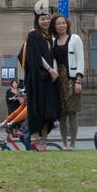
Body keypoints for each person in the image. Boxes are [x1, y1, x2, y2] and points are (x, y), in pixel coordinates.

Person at [18, 11, 59, 151]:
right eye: (42, 19)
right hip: (37, 79)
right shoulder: (34, 35)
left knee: (47, 110)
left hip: (47, 78)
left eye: (47, 19)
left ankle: (43, 141)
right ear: (37, 20)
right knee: (37, 109)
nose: (46, 21)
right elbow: (37, 56)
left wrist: (54, 70)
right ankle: (35, 139)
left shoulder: (48, 37)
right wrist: (50, 70)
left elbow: (51, 55)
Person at [51, 13, 85, 149]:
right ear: (54, 26)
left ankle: (72, 143)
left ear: (67, 24)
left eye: (63, 23)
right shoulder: (52, 42)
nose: (61, 25)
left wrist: (78, 80)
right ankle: (64, 143)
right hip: (58, 81)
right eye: (58, 23)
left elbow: (80, 60)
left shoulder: (75, 39)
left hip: (71, 80)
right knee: (61, 114)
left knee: (72, 112)